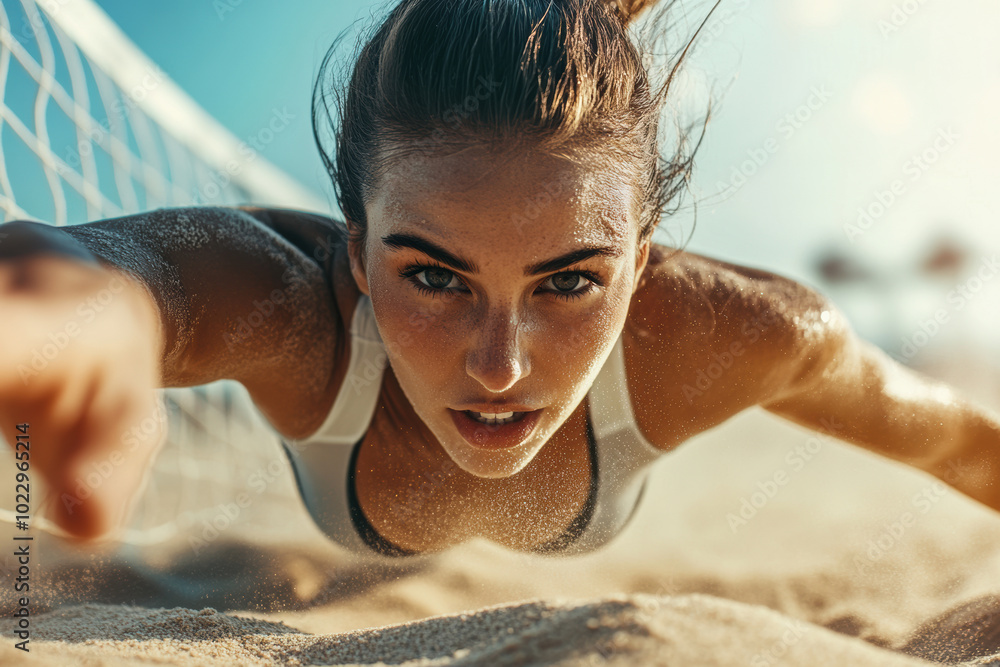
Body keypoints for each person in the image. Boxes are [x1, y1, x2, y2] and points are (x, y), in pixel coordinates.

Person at [2, 0, 999, 560]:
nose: (500, 362)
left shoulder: (730, 336)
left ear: (641, 267)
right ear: (354, 252)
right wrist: (68, 318)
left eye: (569, 282)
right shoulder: (300, 314)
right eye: (433, 275)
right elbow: (117, 273)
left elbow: (959, 441)